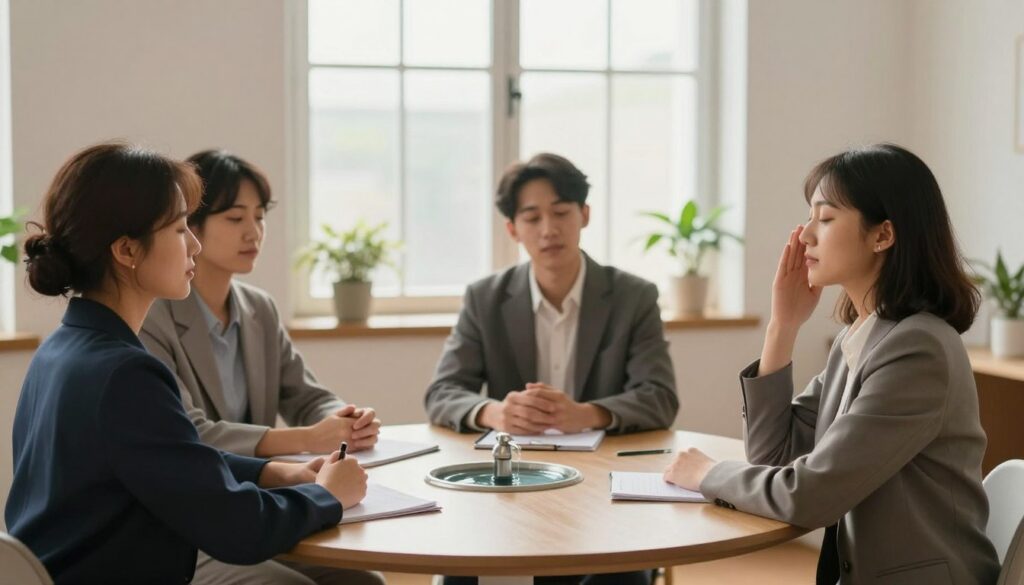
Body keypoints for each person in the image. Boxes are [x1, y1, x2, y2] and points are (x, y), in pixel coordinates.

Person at [5, 143, 371, 585]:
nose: (194, 245)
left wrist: (274, 472)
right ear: (127, 251)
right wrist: (326, 495)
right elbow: (239, 529)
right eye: (180, 230)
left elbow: (171, 461)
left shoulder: (63, 348)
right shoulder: (125, 374)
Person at [663, 144, 1000, 585]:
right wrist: (782, 326)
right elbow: (773, 456)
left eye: (824, 218)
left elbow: (811, 496)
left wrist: (709, 474)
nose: (805, 235)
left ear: (882, 236)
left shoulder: (918, 349)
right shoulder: (860, 338)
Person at [426, 153, 677, 585]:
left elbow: (659, 396)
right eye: (532, 217)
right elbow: (443, 392)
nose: (549, 229)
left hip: (603, 489)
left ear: (585, 214)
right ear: (512, 229)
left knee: (619, 577)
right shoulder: (485, 298)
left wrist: (586, 413)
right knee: (460, 573)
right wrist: (496, 413)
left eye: (561, 212)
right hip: (506, 485)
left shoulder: (633, 296)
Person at [141, 149, 381, 460]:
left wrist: (346, 419)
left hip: (262, 485)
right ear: (192, 225)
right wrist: (308, 437)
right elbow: (189, 431)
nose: (253, 232)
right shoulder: (153, 315)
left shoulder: (260, 308)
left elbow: (305, 397)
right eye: (236, 218)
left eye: (260, 216)